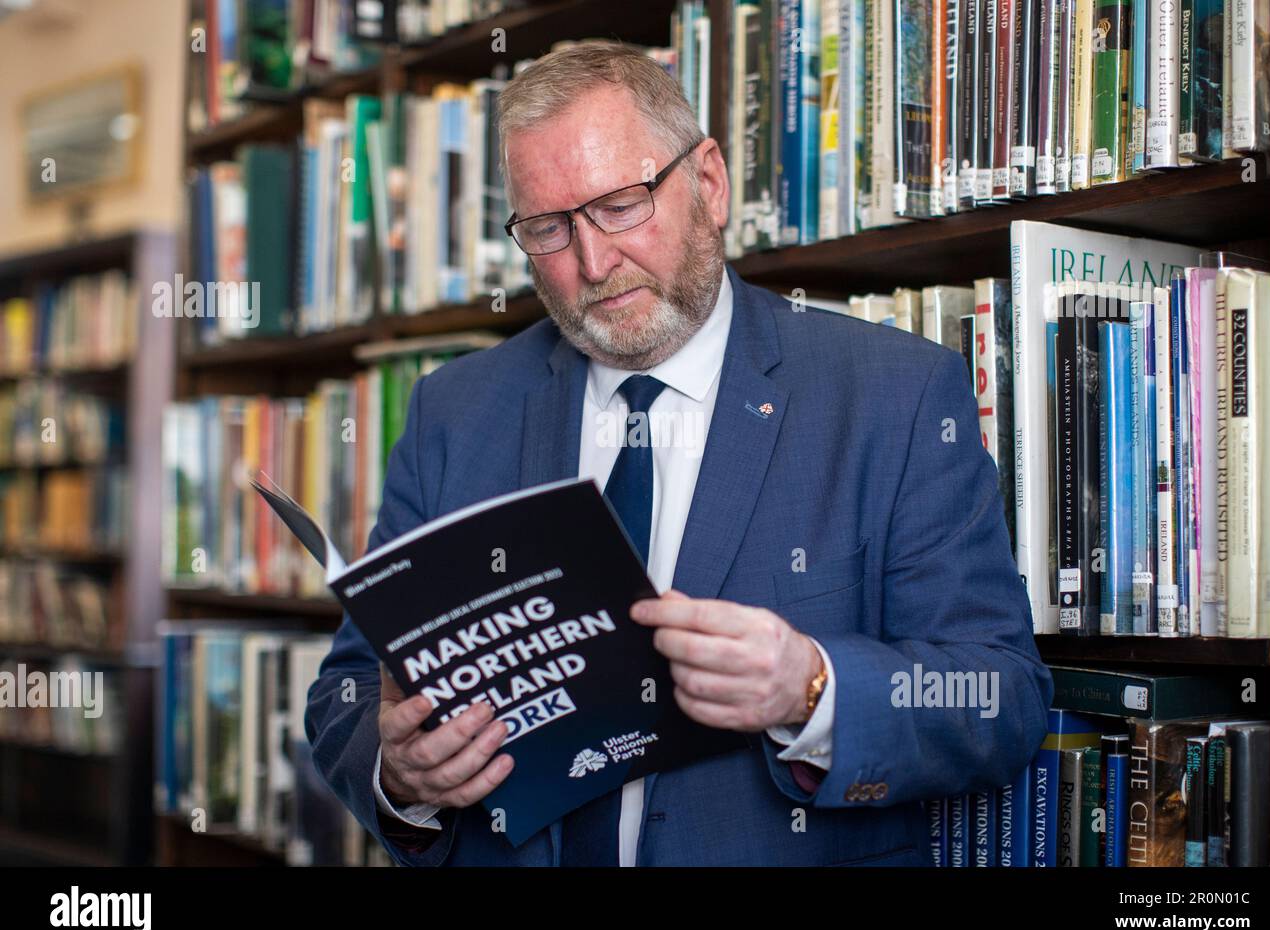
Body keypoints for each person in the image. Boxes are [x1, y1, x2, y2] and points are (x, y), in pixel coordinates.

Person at [305, 40, 1051, 866]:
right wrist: (401, 777)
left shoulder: (894, 398)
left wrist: (811, 688)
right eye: (548, 229)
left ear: (710, 182)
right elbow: (346, 688)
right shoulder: (456, 408)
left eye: (621, 204)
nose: (593, 263)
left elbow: (1000, 699)